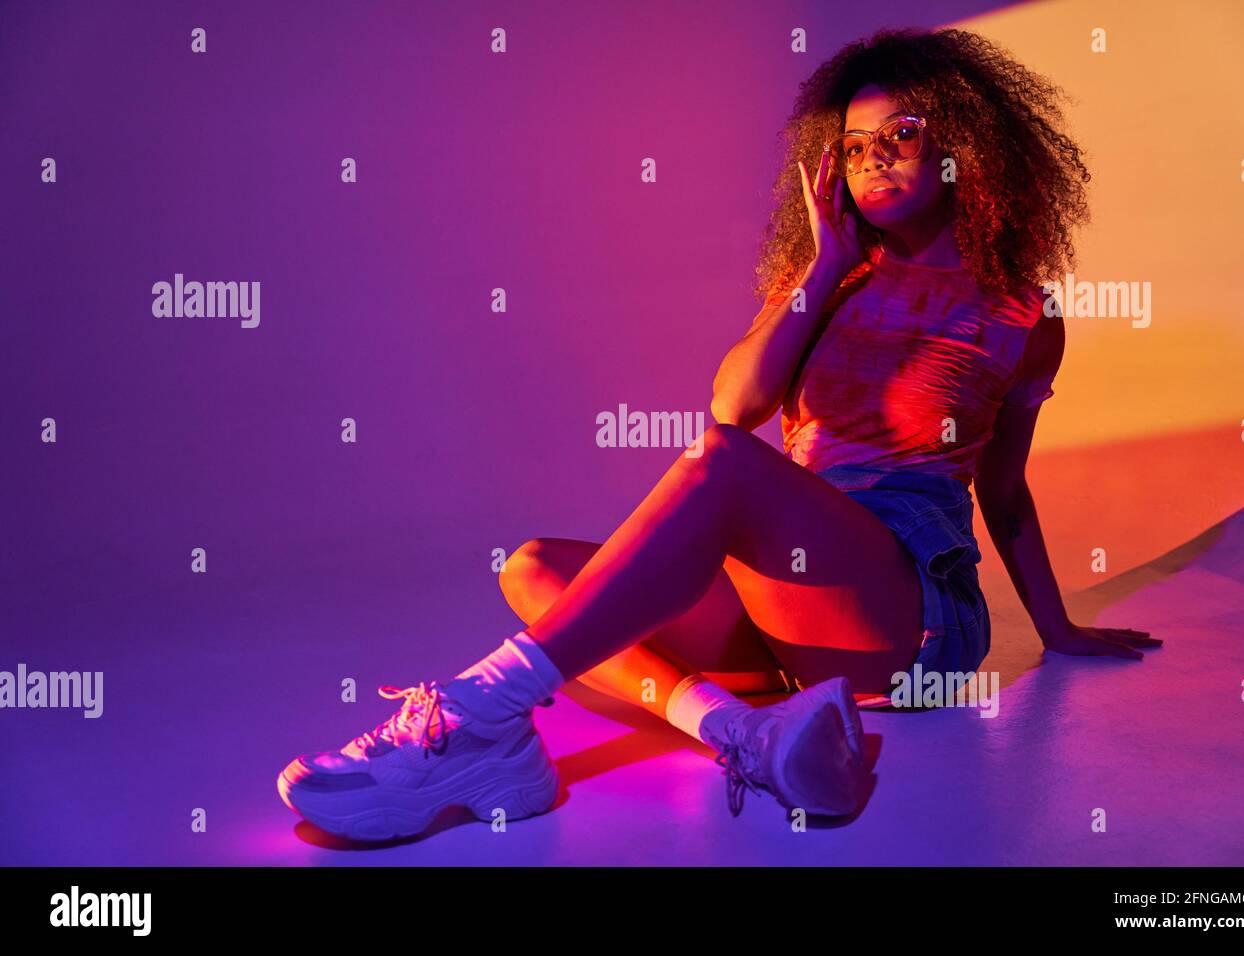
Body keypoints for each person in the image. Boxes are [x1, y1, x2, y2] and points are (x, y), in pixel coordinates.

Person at [278, 27, 1159, 841]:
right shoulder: (827, 280)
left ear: (966, 145)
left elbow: (1002, 491)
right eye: (852, 148)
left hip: (910, 615)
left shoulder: (1023, 313)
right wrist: (820, 271)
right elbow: (735, 405)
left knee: (724, 467)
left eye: (901, 135)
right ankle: (739, 730)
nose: (872, 162)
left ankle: (478, 709)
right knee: (534, 567)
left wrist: (1057, 627)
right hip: (786, 602)